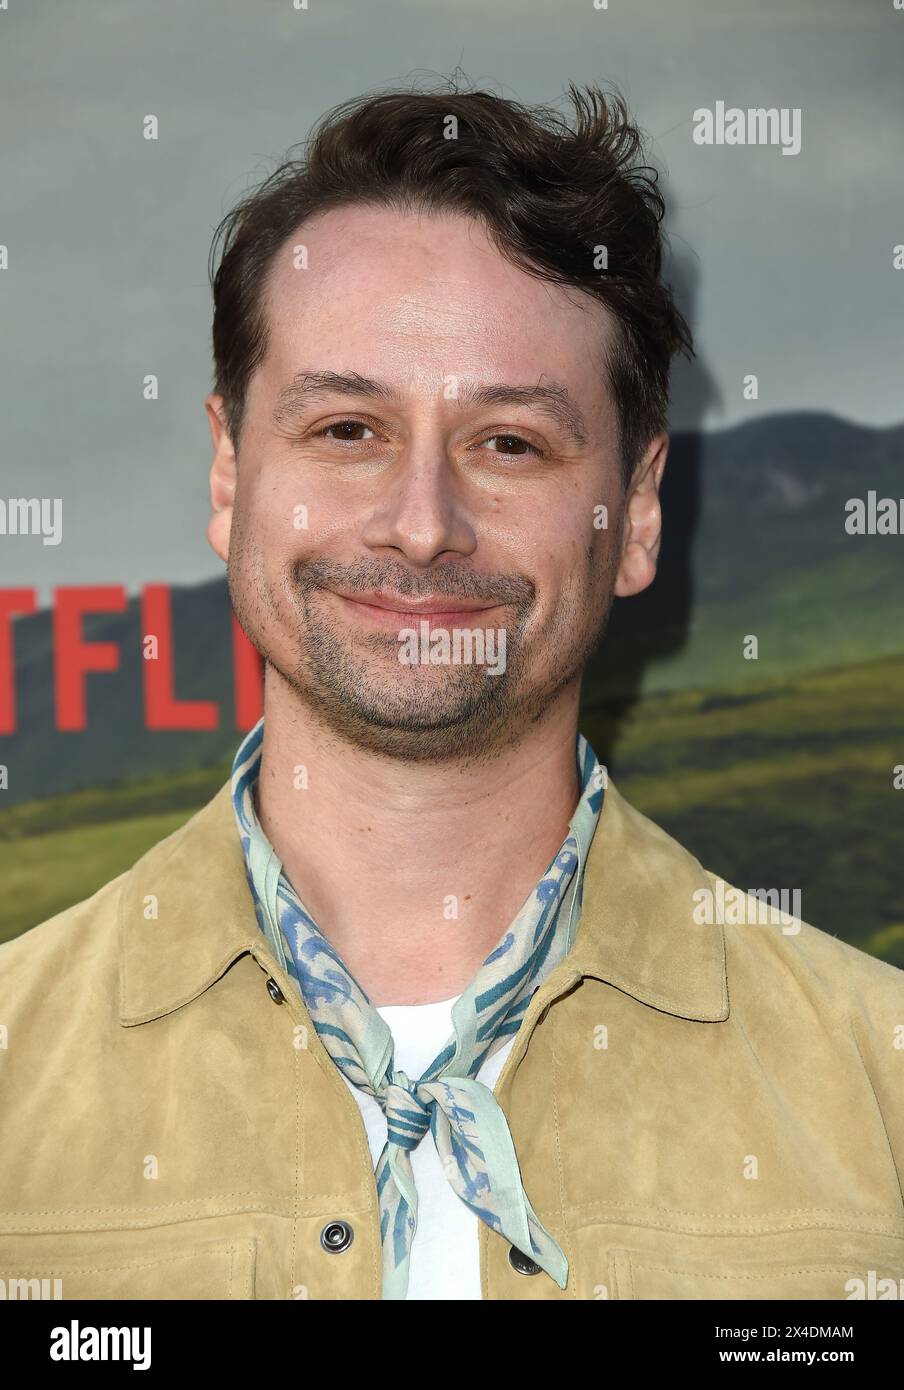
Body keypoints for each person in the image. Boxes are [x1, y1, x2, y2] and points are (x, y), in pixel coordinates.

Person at [1, 83, 902, 1302]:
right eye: (344, 429)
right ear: (228, 471)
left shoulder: (878, 1086)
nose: (422, 526)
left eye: (509, 443)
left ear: (635, 513)